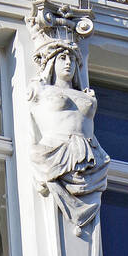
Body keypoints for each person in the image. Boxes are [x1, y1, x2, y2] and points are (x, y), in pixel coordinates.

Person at [28, 42, 110, 235]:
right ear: (51, 63)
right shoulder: (41, 90)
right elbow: (31, 124)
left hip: (89, 157)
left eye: (72, 59)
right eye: (63, 58)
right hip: (55, 153)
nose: (69, 63)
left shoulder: (84, 94)